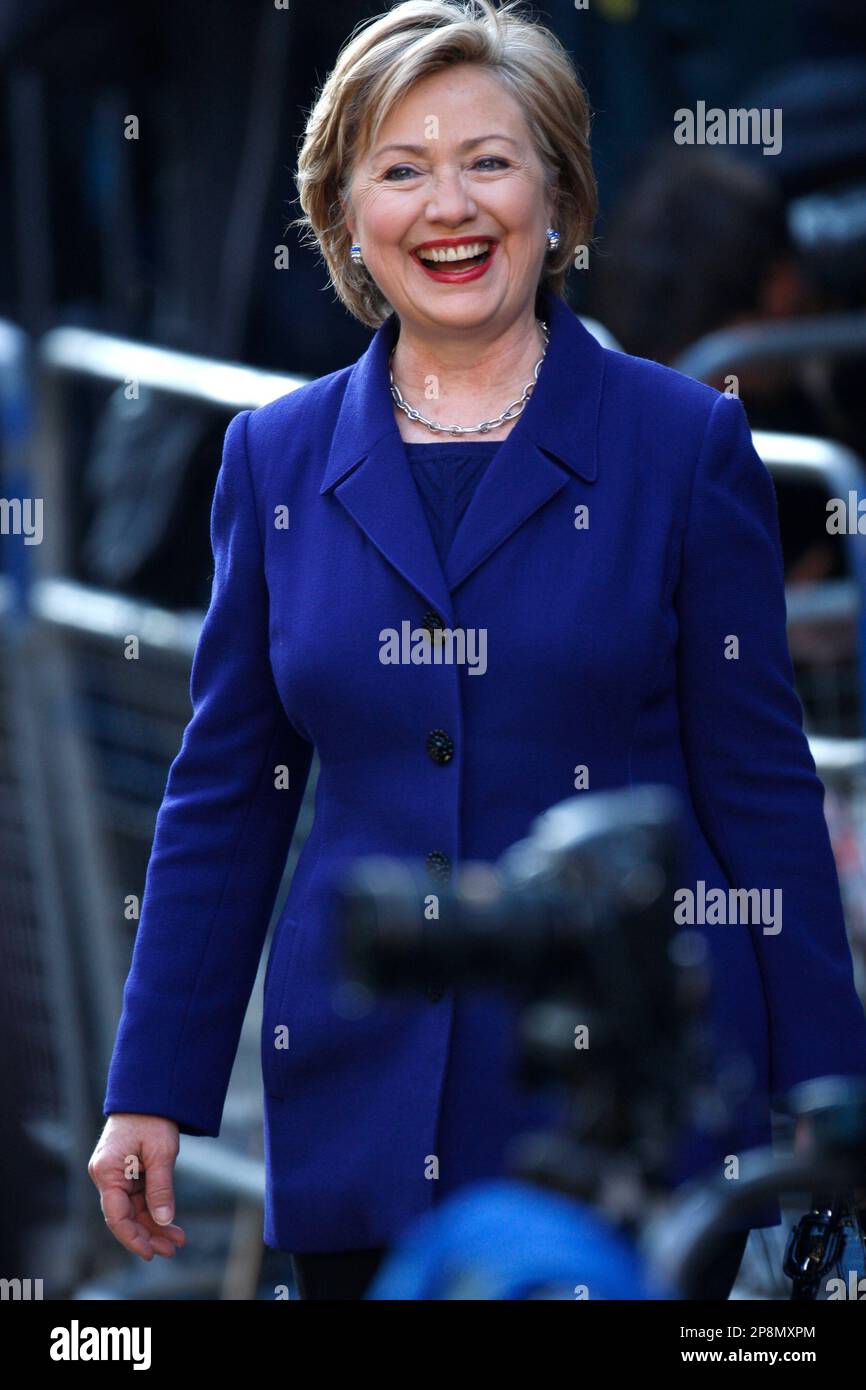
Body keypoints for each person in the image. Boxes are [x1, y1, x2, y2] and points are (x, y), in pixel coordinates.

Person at [88, 0, 866, 1301]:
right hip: (362, 1112)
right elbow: (227, 793)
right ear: (344, 216)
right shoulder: (270, 457)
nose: (448, 206)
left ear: (558, 197)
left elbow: (758, 786)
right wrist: (152, 1087)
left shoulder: (682, 446)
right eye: (401, 169)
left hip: (636, 1118)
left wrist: (825, 1095)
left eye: (487, 162)